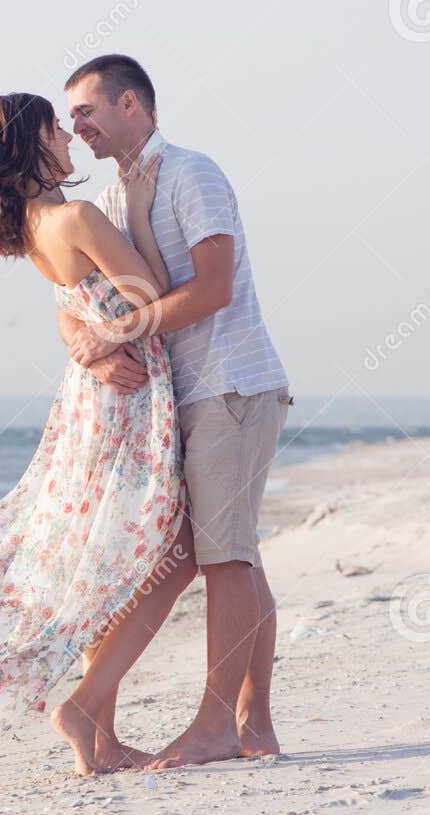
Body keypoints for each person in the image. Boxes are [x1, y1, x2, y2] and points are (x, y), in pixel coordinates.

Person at [0, 91, 197, 774]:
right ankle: (84, 709)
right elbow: (153, 292)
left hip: (89, 401)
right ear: (31, 144)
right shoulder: (77, 216)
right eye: (55, 129)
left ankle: (102, 734)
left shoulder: (32, 228)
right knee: (173, 550)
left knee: (103, 559)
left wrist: (88, 342)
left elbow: (73, 309)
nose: (69, 136)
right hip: (126, 398)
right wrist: (140, 212)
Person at [59, 54, 293, 769]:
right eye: (70, 118)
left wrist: (122, 331)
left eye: (86, 111)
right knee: (233, 554)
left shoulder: (193, 174)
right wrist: (95, 351)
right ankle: (253, 724)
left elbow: (215, 287)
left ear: (131, 103)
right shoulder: (108, 199)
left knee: (225, 556)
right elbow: (77, 304)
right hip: (172, 403)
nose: (77, 127)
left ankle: (216, 725)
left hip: (231, 384)